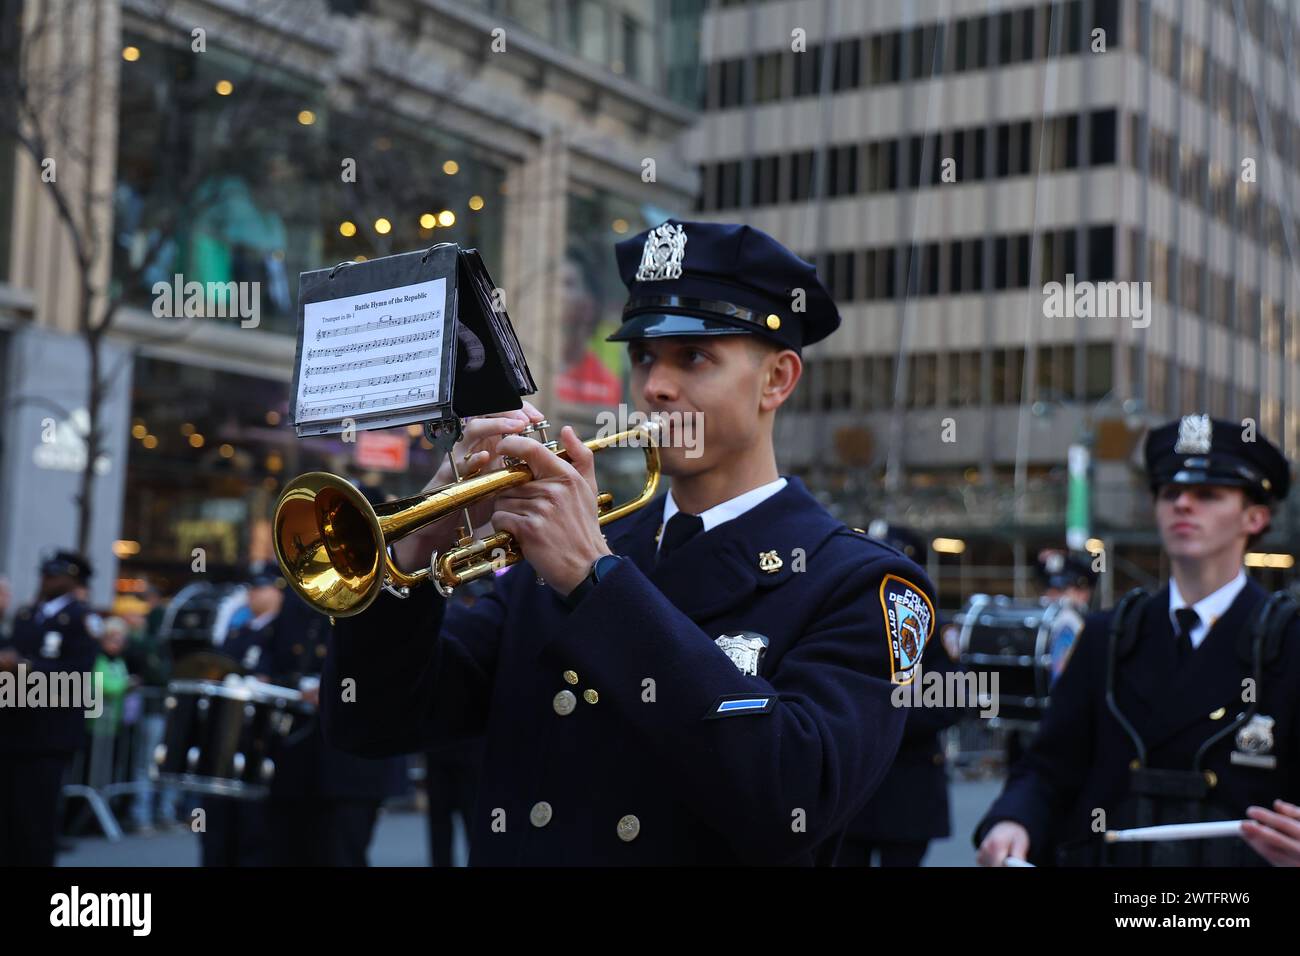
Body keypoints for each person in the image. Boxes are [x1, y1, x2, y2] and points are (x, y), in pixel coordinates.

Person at [320, 219, 938, 865]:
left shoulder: (860, 582)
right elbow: (373, 725)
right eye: (643, 356)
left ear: (777, 380)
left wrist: (596, 581)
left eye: (693, 358)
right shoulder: (569, 551)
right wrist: (414, 543)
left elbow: (794, 799)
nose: (654, 387)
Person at [975, 414, 1299, 866]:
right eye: (1169, 493)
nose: (1183, 504)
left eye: (1207, 494)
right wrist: (1013, 820)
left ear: (1255, 516)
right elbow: (1049, 767)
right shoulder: (1108, 636)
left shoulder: (1290, 640)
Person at [840, 523, 963, 867]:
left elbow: (951, 697)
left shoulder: (930, 625)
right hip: (851, 792)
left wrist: (876, 713)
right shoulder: (842, 618)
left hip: (907, 790)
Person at [0, 551, 102, 865]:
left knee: (37, 819)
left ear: (72, 581)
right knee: (9, 820)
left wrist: (27, 669)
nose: (47, 580)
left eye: (55, 575)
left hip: (49, 734)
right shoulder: (27, 615)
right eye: (45, 574)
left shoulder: (81, 618)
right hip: (13, 727)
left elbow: (77, 679)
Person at [196, 563, 282, 867]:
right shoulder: (237, 631)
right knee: (217, 826)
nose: (253, 595)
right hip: (227, 737)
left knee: (253, 828)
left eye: (261, 588)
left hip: (261, 739)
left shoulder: (282, 633)